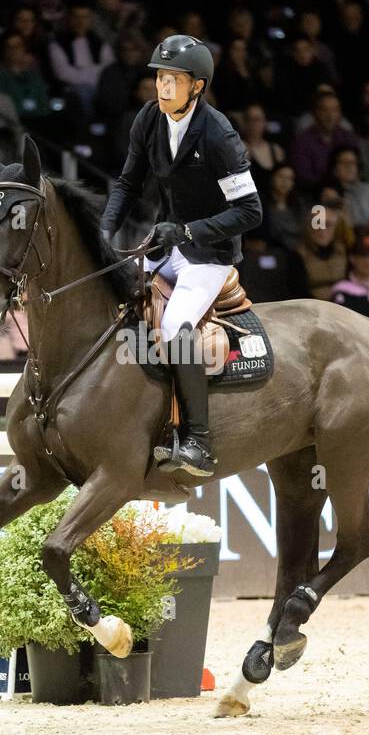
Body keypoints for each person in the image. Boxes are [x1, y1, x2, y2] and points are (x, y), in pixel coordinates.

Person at [99, 34, 262, 477]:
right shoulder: (149, 119)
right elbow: (129, 184)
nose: (163, 86)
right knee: (118, 294)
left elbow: (250, 211)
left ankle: (198, 442)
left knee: (173, 328)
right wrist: (104, 230)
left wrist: (189, 230)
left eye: (174, 79)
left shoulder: (218, 134)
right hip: (167, 242)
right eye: (160, 77)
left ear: (197, 87)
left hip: (210, 254)